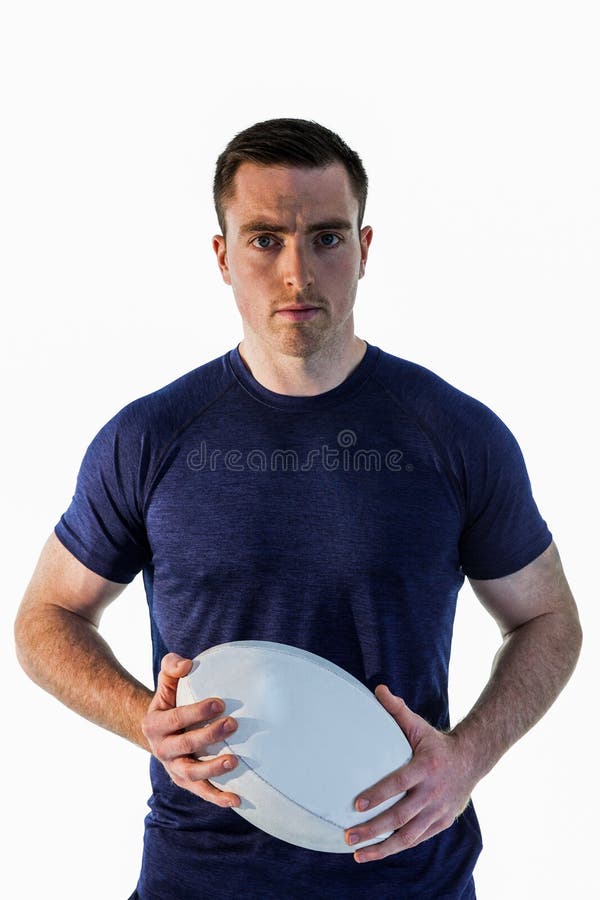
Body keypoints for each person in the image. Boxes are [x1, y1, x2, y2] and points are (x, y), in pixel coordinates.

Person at [14, 118, 582, 900]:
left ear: (365, 247)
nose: (296, 273)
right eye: (264, 239)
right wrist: (144, 717)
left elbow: (549, 618)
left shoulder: (455, 435)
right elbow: (45, 616)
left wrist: (469, 759)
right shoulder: (150, 437)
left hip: (407, 877)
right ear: (221, 255)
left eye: (325, 238)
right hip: (198, 879)